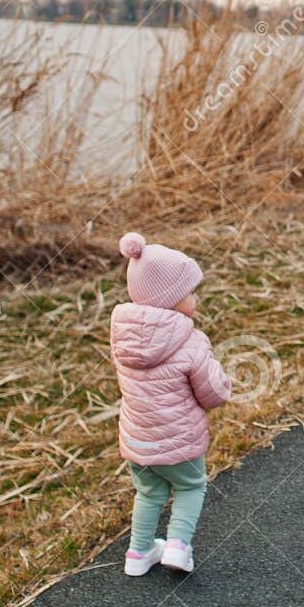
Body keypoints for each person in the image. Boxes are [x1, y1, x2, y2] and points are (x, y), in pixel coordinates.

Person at [111, 232, 232, 576]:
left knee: (148, 493)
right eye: (190, 292)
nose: (195, 298)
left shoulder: (123, 337)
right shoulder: (191, 341)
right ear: (170, 299)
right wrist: (225, 384)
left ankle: (138, 553)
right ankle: (178, 546)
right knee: (190, 486)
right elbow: (212, 392)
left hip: (138, 440)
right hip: (179, 441)